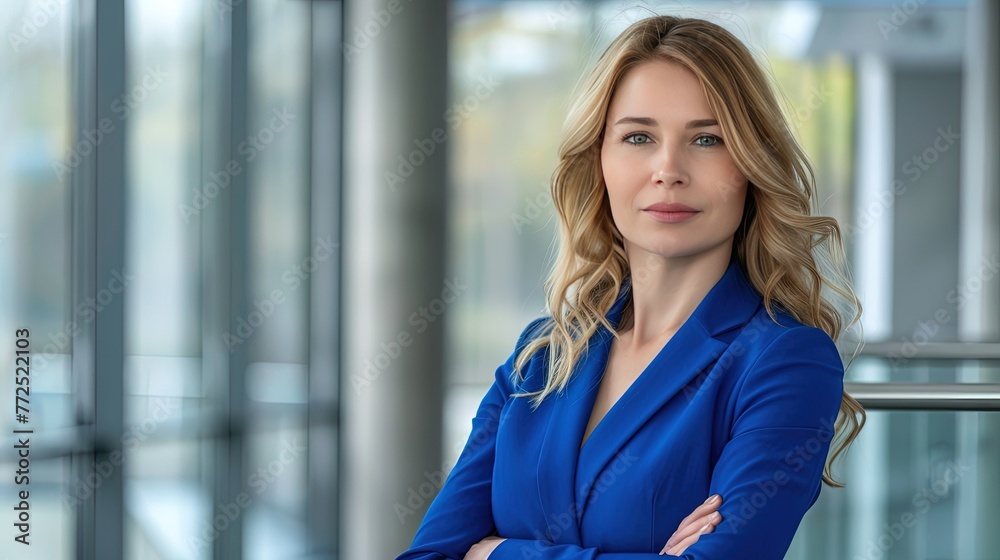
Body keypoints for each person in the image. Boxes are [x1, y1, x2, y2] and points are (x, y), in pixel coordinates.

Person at [397, 14, 865, 560]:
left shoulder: (785, 361)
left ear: (751, 166)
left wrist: (495, 553)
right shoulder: (543, 354)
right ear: (599, 160)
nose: (668, 169)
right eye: (638, 137)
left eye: (708, 139)